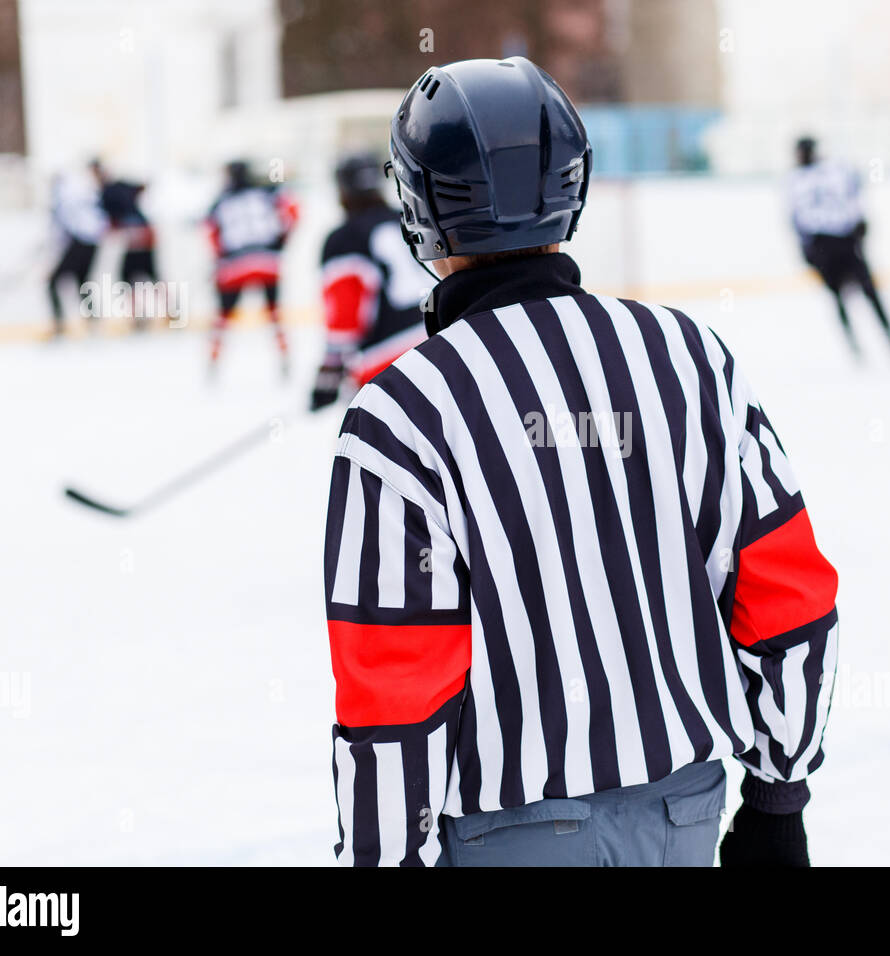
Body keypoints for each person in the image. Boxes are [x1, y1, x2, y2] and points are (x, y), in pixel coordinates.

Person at [324, 57, 841, 868]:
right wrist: (780, 798)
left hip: (508, 829)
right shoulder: (688, 357)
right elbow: (789, 595)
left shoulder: (403, 410)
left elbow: (395, 673)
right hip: (683, 809)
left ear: (420, 205)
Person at [309, 153, 429, 413]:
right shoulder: (408, 220)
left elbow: (345, 318)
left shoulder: (345, 238)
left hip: (386, 365)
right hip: (438, 347)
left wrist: (329, 372)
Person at [786, 136, 890, 360]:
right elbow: (795, 216)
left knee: (869, 291)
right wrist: (805, 248)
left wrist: (859, 221)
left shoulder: (835, 170)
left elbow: (853, 194)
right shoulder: (794, 179)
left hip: (845, 239)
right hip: (821, 243)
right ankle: (854, 345)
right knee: (838, 296)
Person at [204, 160, 299, 377]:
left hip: (234, 265)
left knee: (222, 316)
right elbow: (294, 211)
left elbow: (210, 231)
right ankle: (285, 358)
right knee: (274, 313)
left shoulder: (220, 201)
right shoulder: (268, 192)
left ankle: (213, 362)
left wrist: (220, 258)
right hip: (268, 261)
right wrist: (281, 242)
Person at [90, 159, 158, 330]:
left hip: (134, 234)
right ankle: (167, 312)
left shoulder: (105, 193)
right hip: (143, 231)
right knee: (148, 275)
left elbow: (109, 221)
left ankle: (140, 317)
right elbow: (143, 186)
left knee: (131, 277)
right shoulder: (121, 185)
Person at [47, 167, 107, 336]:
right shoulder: (79, 192)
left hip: (80, 241)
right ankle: (93, 323)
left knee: (55, 282)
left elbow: (62, 227)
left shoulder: (64, 196)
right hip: (90, 241)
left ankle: (61, 326)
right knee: (82, 282)